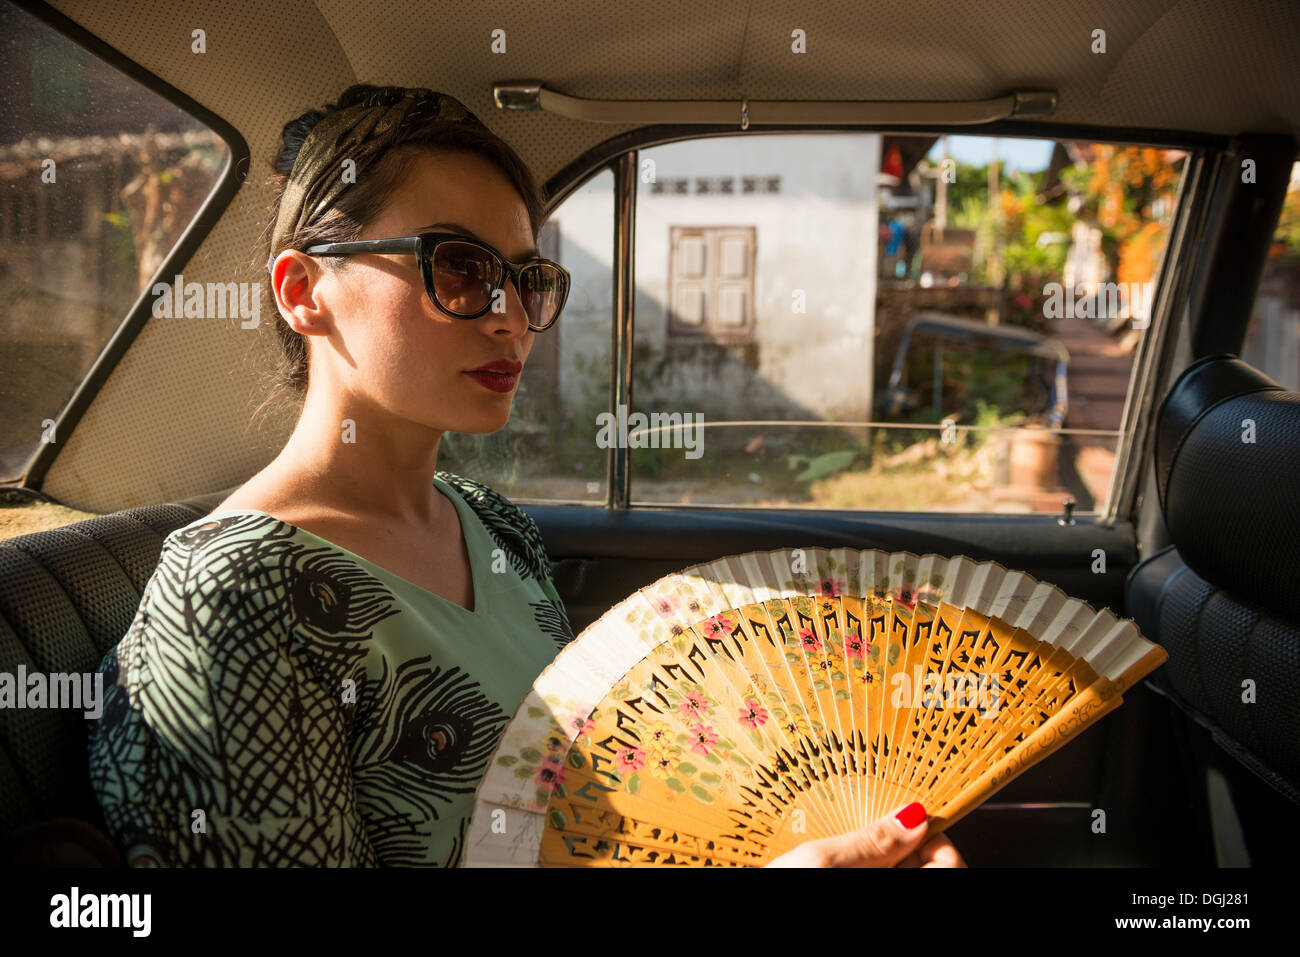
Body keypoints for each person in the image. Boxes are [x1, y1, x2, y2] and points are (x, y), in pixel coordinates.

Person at [87, 84, 964, 869]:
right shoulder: (233, 595)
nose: (510, 318)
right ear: (302, 289)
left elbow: (576, 822)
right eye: (460, 268)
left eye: (527, 277)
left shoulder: (489, 526)